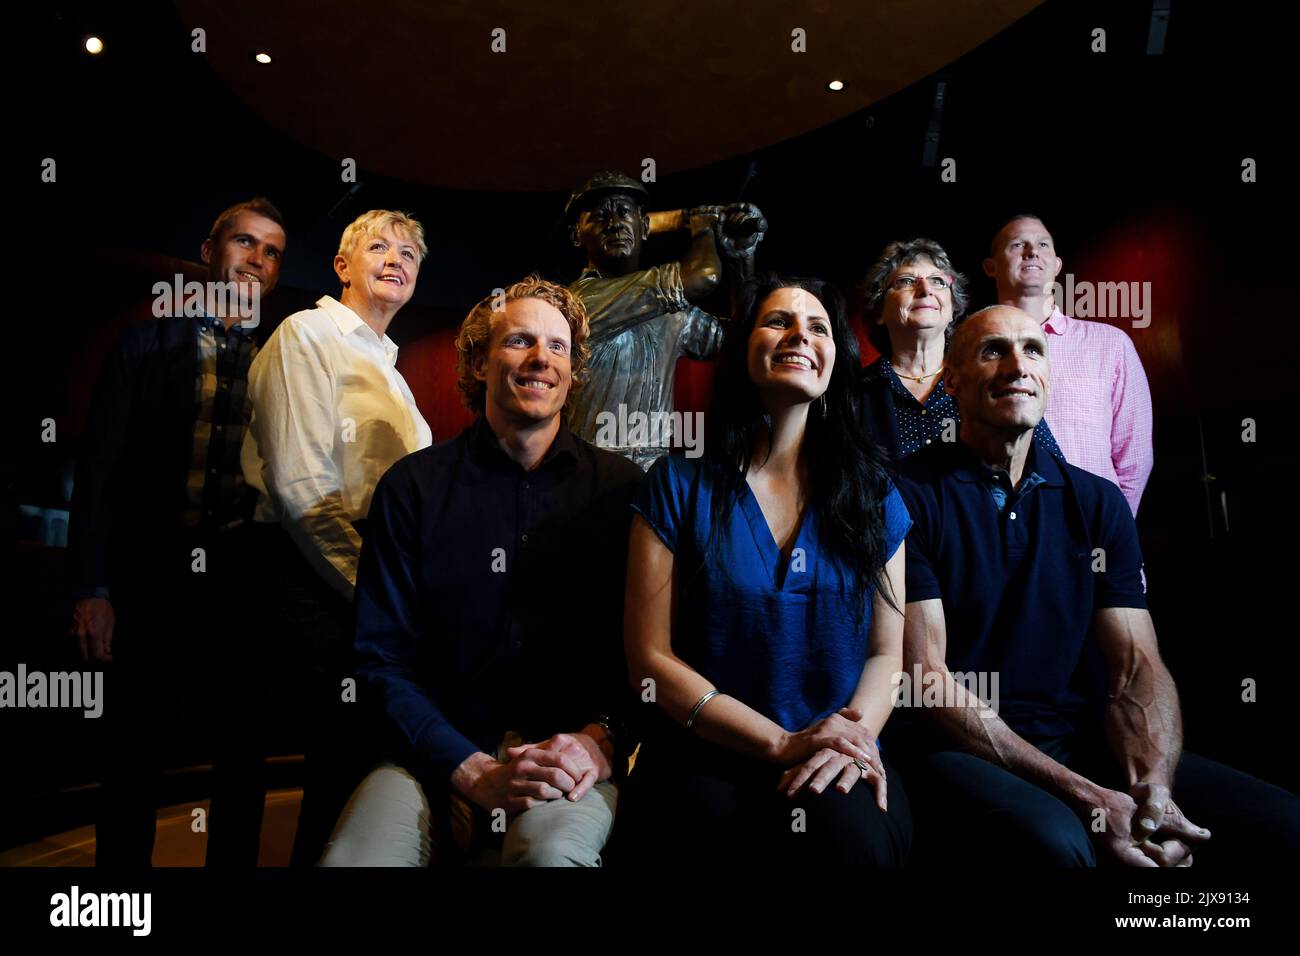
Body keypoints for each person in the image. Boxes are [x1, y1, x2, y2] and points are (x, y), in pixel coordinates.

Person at [892, 305, 1300, 866]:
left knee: (1282, 823)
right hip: (961, 749)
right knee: (1059, 847)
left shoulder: (1098, 501)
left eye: (1033, 350)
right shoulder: (907, 494)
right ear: (953, 380)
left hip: (1082, 741)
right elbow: (926, 678)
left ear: (1048, 375)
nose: (1018, 365)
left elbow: (1136, 664)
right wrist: (1085, 796)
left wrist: (1152, 789)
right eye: (994, 351)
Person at [320, 276, 643, 867]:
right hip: (433, 755)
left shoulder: (626, 493)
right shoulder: (411, 489)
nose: (541, 359)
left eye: (558, 346)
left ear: (573, 373)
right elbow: (378, 661)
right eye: (519, 341)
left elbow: (652, 656)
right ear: (476, 361)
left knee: (551, 862)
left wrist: (602, 742)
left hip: (568, 761)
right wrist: (470, 769)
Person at [615, 274, 912, 866]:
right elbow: (650, 659)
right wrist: (780, 742)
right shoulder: (677, 483)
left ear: (835, 361)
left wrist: (852, 742)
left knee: (851, 841)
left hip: (831, 748)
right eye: (778, 321)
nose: (799, 333)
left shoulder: (872, 493)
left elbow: (886, 654)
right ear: (742, 349)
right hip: (703, 750)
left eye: (819, 326)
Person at [68, 197, 288, 866]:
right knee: (132, 758)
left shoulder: (282, 359)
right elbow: (99, 469)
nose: (257, 258)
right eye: (244, 242)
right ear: (208, 250)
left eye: (272, 251)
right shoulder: (144, 341)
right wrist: (92, 587)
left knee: (242, 763)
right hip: (149, 578)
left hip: (240, 588)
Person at [241, 209, 432, 865]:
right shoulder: (306, 334)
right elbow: (303, 492)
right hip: (317, 582)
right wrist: (381, 602)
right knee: (331, 777)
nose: (396, 259)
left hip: (374, 586)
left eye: (409, 253)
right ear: (342, 266)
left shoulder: (396, 375)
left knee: (354, 782)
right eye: (377, 246)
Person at [565, 170, 767, 468]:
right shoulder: (580, 300)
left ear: (644, 226)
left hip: (652, 479)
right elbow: (704, 276)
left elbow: (741, 342)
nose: (614, 225)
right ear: (576, 234)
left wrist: (740, 258)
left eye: (624, 212)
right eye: (598, 216)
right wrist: (703, 229)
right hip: (590, 476)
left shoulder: (667, 310)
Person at [984, 214, 1152, 514]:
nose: (1032, 251)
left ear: (1057, 265)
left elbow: (1134, 459)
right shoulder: (969, 351)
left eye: (1043, 244)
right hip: (1000, 533)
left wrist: (1112, 530)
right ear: (991, 266)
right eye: (1018, 244)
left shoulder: (1110, 344)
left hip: (1093, 530)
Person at [857, 237, 1062, 460]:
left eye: (938, 281)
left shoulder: (992, 379)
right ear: (879, 311)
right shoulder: (853, 393)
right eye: (906, 281)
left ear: (953, 307)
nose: (925, 289)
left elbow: (1049, 468)